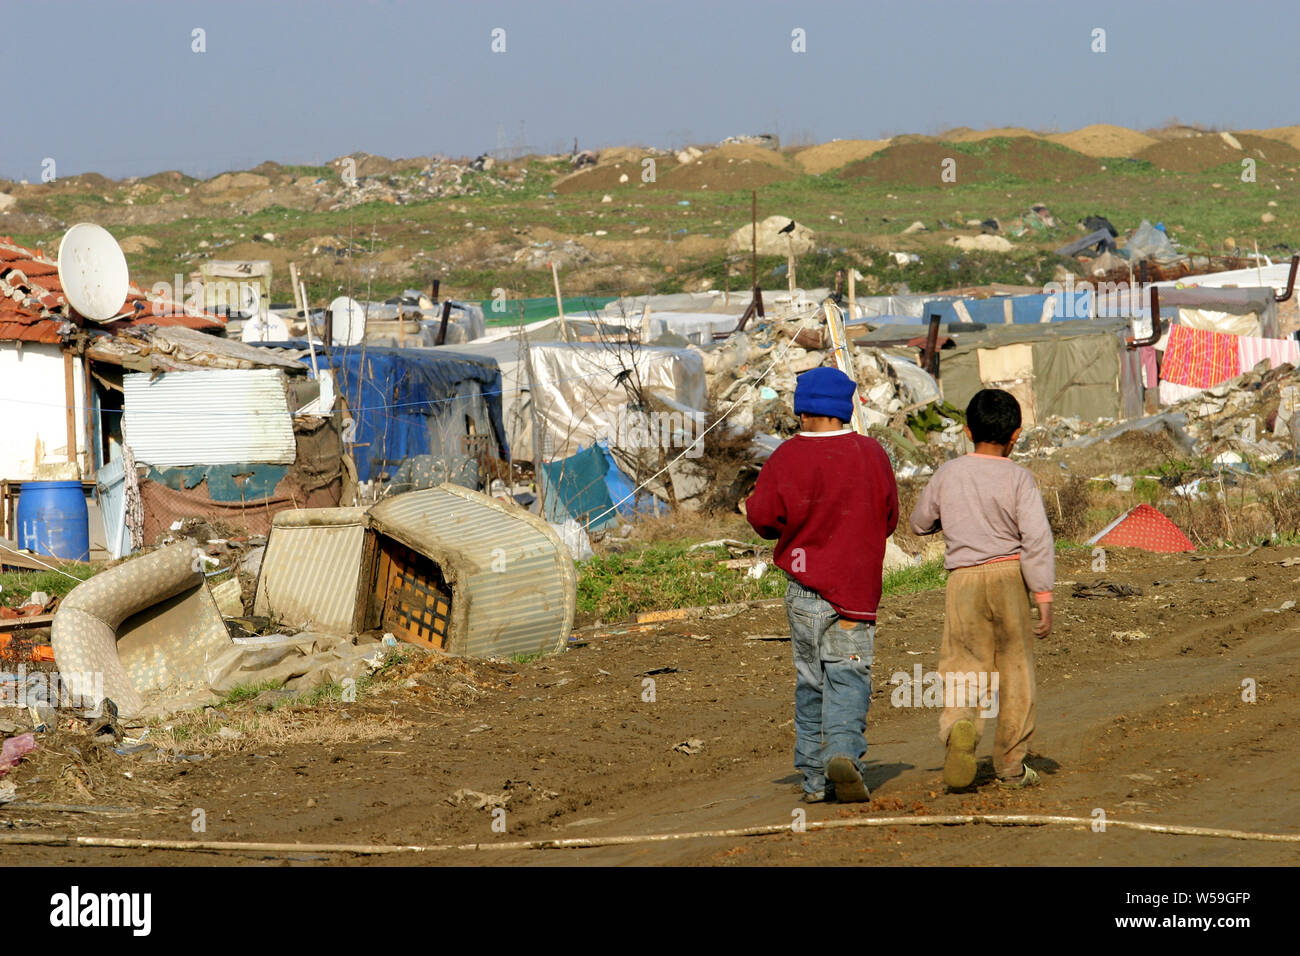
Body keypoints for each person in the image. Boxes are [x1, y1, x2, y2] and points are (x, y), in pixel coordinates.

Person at [744, 367, 898, 803]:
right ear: (844, 409)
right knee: (849, 680)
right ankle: (845, 754)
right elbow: (888, 519)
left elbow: (762, 518)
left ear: (803, 410)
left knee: (810, 683)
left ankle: (814, 781)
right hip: (856, 594)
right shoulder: (872, 454)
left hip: (804, 593)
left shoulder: (785, 457)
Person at [909, 388, 1053, 791]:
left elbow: (919, 523)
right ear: (1016, 434)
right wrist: (1043, 595)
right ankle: (1010, 763)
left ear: (968, 430)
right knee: (1016, 672)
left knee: (962, 668)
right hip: (1010, 577)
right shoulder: (1020, 478)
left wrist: (945, 519)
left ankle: (960, 727)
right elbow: (1037, 539)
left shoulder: (948, 474)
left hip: (964, 582)